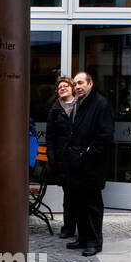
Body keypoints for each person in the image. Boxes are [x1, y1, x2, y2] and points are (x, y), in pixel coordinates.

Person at [66, 71, 113, 256]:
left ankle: (94, 242)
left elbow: (105, 136)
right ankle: (83, 238)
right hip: (77, 164)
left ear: (90, 83)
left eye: (80, 83)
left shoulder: (101, 104)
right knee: (79, 204)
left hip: (91, 165)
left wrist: (88, 154)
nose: (77, 86)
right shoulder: (80, 103)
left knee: (92, 205)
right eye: (75, 84)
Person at [45, 76, 77, 239]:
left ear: (72, 88)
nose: (62, 88)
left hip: (80, 158)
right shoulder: (55, 110)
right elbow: (50, 137)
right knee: (69, 195)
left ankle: (83, 228)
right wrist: (52, 158)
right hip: (63, 159)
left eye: (66, 86)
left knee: (81, 195)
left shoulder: (82, 106)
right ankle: (69, 227)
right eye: (59, 87)